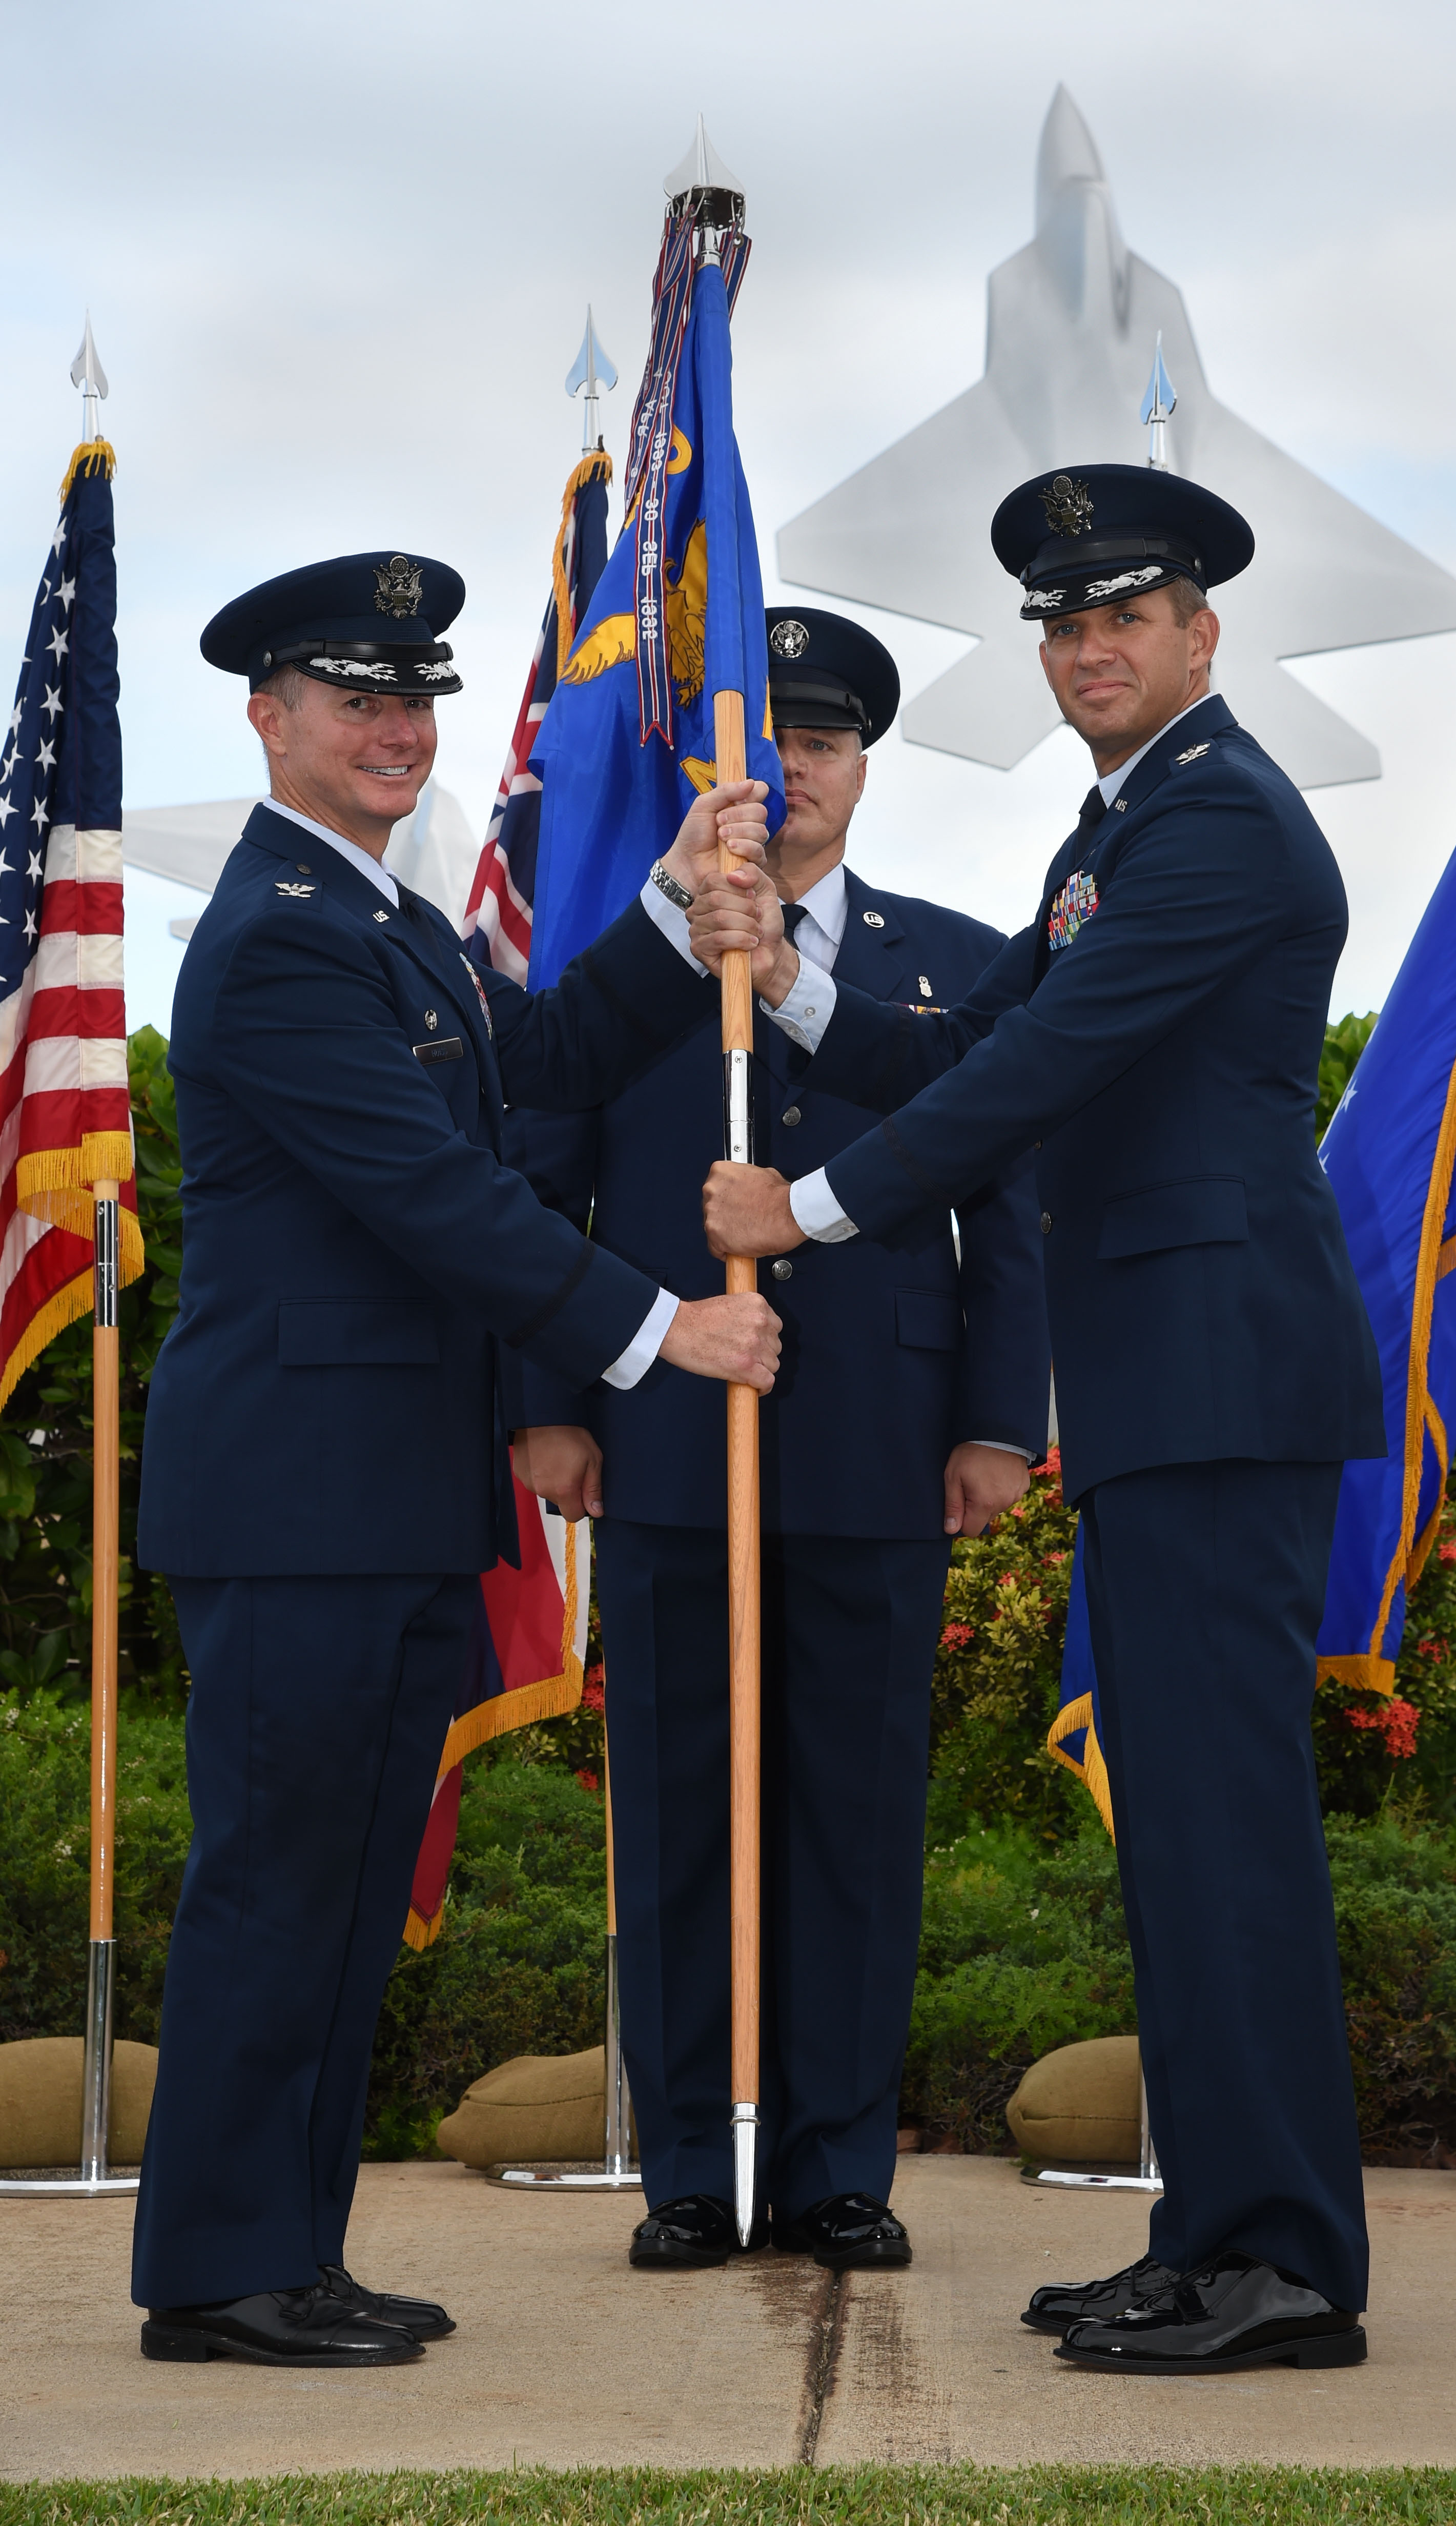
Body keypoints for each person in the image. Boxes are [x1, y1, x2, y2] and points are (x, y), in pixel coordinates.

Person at [693, 469, 1388, 2376]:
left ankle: (1283, 2267)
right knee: (1180, 1828)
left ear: (1200, 632)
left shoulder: (1223, 823)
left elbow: (1049, 1069)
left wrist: (809, 1209)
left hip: (1222, 1375)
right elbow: (967, 1036)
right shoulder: (1119, 833)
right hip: (1173, 1381)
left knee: (1225, 1826)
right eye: (1063, 626)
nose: (1089, 647)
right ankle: (1219, 2233)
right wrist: (778, 955)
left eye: (1125, 616)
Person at [130, 551, 780, 2370]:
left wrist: (673, 911)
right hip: (298, 1497)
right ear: (269, 719)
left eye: (416, 699)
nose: (397, 730)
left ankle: (289, 2253)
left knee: (341, 1897)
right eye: (355, 699)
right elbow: (435, 1197)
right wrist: (663, 1332)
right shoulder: (273, 938)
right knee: (279, 1886)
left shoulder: (389, 923)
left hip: (387, 1491)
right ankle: (215, 2273)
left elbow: (536, 1062)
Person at [506, 608, 1051, 2272]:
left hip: (886, 1433)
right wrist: (545, 1402)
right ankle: (691, 2166)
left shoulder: (946, 959)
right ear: (714, 781)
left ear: (863, 768)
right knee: (678, 1804)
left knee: (856, 1813)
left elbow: (1006, 1209)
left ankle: (829, 2169)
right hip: (668, 1424)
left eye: (820, 744)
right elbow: (543, 1179)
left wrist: (996, 1426)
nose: (792, 773)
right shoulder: (637, 958)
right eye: (764, 749)